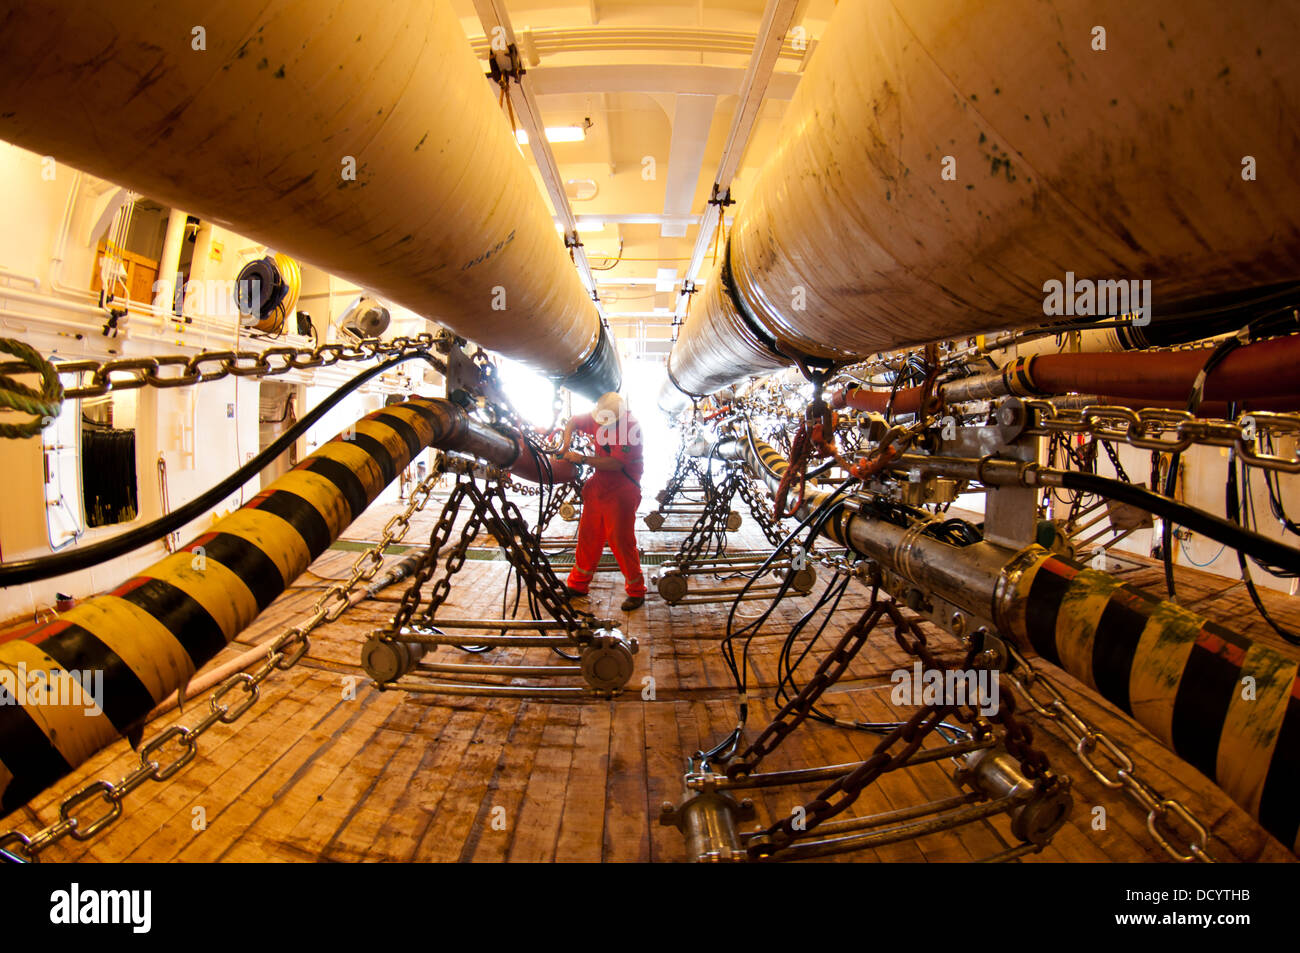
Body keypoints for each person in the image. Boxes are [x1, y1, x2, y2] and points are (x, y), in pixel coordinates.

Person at [553, 392, 647, 611]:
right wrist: (565, 446)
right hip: (599, 486)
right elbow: (573, 421)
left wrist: (582, 458)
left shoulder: (630, 428)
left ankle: (636, 591)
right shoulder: (598, 416)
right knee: (588, 536)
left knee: (621, 541)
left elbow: (616, 464)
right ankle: (577, 584)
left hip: (623, 488)